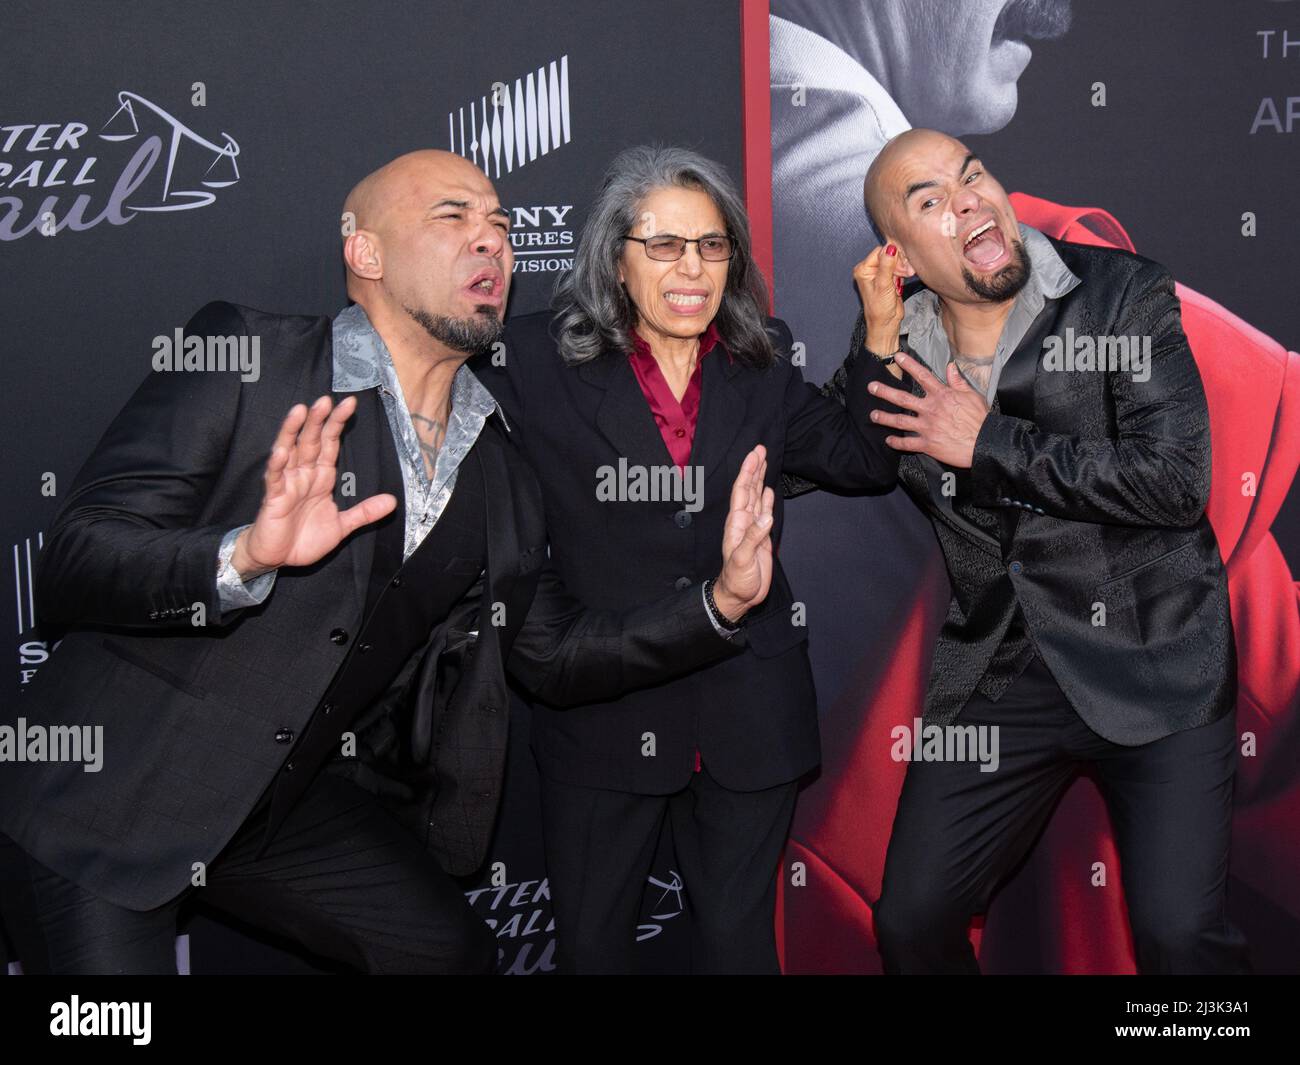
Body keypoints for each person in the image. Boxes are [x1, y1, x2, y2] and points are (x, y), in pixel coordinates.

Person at [0, 149, 780, 975]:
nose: (492, 243)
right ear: (364, 254)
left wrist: (720, 603)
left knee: (450, 956)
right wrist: (242, 555)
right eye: (453, 218)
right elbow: (77, 557)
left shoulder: (500, 471)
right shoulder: (248, 360)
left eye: (501, 226)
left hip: (281, 804)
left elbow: (550, 653)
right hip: (106, 801)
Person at [809, 127, 1249, 974]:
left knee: (1178, 938)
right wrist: (871, 338)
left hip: (1157, 658)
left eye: (971, 176)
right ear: (898, 256)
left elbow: (1175, 482)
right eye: (930, 200)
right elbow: (824, 451)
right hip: (1001, 672)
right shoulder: (900, 353)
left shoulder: (1121, 296)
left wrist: (991, 443)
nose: (967, 198)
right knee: (909, 921)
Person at [473, 144, 900, 974]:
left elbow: (863, 459)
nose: (692, 268)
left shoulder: (759, 357)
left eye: (712, 245)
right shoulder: (529, 361)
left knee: (739, 946)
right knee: (595, 950)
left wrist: (880, 331)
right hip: (604, 707)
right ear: (614, 258)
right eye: (663, 245)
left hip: (749, 708)